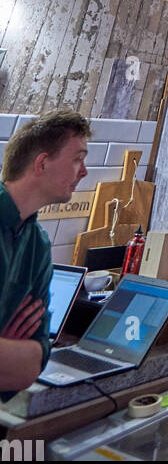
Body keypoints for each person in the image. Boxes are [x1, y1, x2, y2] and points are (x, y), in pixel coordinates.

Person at [0, 111, 90, 398]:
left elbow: (34, 362)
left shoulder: (38, 245)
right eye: (77, 158)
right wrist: (13, 348)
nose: (84, 170)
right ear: (42, 163)